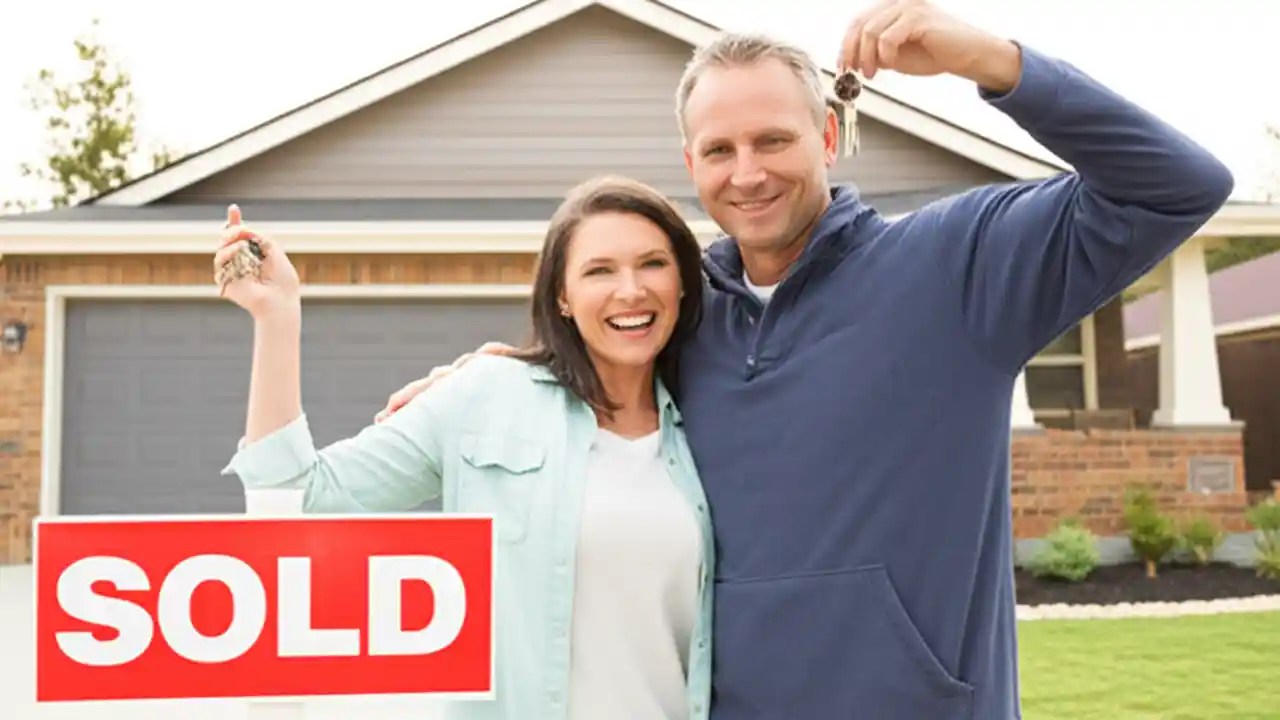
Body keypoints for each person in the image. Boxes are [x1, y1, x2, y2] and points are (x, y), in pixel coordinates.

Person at [375, 1, 1235, 717]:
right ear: (691, 164)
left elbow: (1178, 185)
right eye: (720, 150)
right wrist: (493, 379)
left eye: (773, 140)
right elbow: (585, 381)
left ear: (828, 134)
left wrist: (989, 61)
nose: (747, 173)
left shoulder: (953, 267)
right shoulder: (680, 318)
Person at [214, 175, 716, 720]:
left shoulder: (716, 422)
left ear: (682, 283)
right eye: (600, 270)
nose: (631, 290)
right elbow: (296, 498)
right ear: (562, 297)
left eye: (652, 264)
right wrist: (278, 316)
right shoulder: (486, 397)